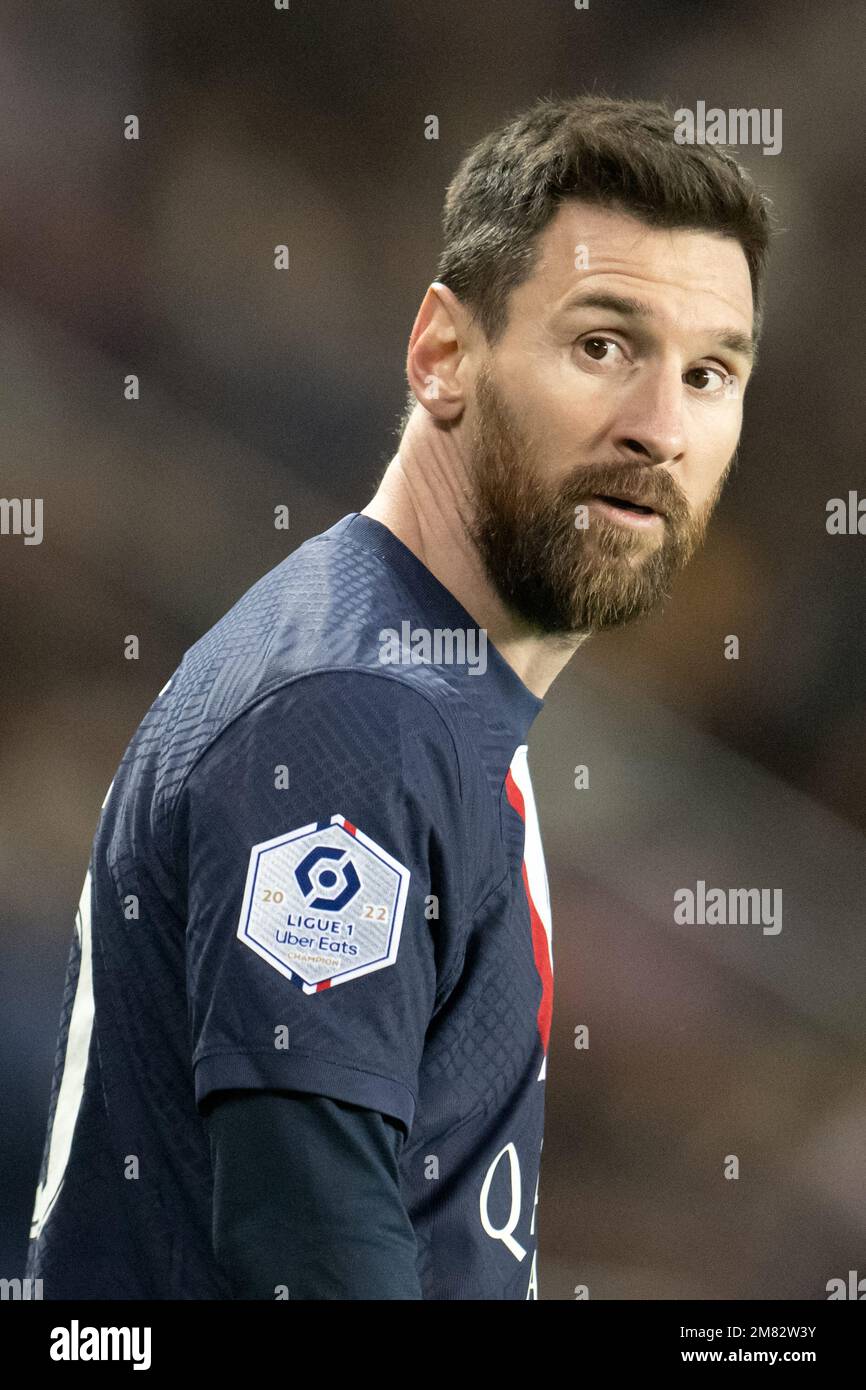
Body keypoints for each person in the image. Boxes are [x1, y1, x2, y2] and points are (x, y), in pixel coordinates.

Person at [25, 93, 772, 1300]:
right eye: (600, 346)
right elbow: (310, 1258)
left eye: (706, 373)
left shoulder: (421, 675)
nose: (657, 427)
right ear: (441, 355)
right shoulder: (353, 718)